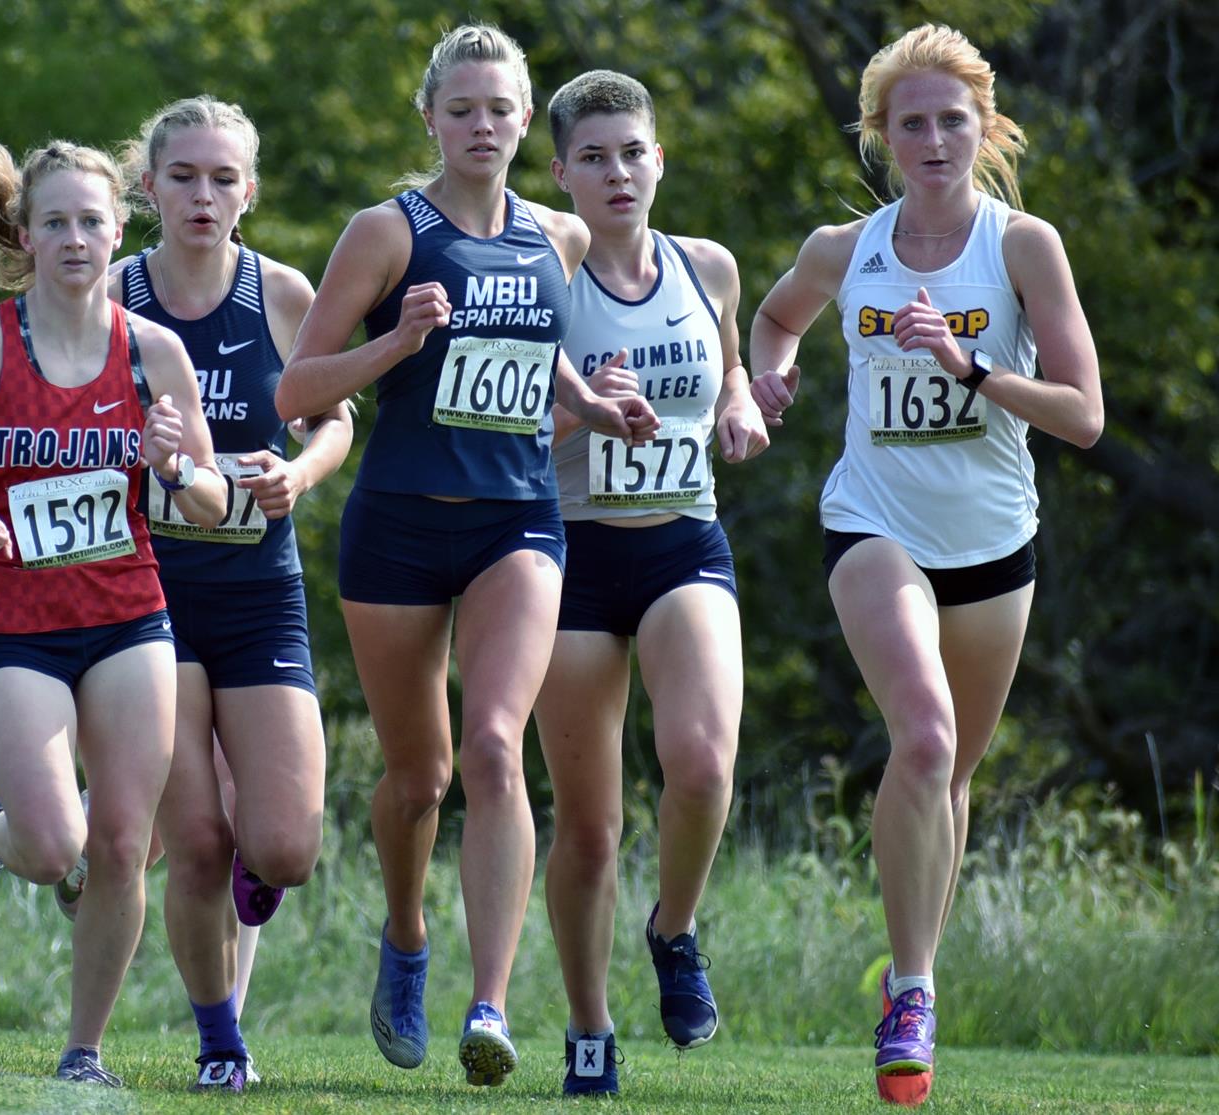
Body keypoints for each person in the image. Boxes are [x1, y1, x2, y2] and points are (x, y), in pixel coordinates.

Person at [276, 23, 657, 1088]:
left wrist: (599, 404)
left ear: (525, 119)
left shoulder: (557, 237)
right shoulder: (384, 232)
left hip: (515, 524)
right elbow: (296, 393)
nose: (481, 126)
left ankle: (489, 1003)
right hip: (396, 525)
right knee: (417, 777)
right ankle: (405, 937)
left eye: (499, 109)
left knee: (495, 745)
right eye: (461, 109)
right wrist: (395, 342)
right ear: (430, 118)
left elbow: (542, 371)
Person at [747, 23, 1103, 1106]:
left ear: (982, 126)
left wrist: (969, 364)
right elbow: (771, 319)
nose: (934, 137)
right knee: (924, 732)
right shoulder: (840, 249)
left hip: (994, 544)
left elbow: (1083, 415)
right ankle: (909, 990)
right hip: (873, 524)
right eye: (912, 122)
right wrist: (762, 377)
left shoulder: (1021, 246)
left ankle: (917, 974)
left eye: (953, 119)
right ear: (881, 138)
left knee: (946, 778)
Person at [0, 129, 226, 1088]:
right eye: (55, 223)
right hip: (14, 625)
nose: (75, 238)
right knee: (54, 847)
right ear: (26, 237)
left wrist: (175, 464)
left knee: (123, 841)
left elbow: (206, 501)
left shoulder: (155, 352)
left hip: (127, 615)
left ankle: (84, 1052)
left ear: (119, 231)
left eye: (91, 221)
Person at [534, 70, 770, 1096]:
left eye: (631, 152)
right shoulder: (542, 272)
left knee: (703, 763)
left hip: (681, 540)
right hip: (572, 554)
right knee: (588, 826)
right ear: (559, 175)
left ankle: (672, 931)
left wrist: (738, 407)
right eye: (592, 157)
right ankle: (589, 1027)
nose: (615, 173)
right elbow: (499, 432)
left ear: (658, 159)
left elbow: (727, 372)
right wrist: (585, 413)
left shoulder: (705, 265)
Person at [110, 95, 350, 1091]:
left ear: (247, 193)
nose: (201, 195)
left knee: (284, 847)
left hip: (258, 587)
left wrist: (300, 474)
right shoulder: (113, 297)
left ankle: (261, 860)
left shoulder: (282, 294)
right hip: (145, 593)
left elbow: (335, 418)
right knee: (195, 838)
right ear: (148, 188)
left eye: (221, 178)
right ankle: (219, 1039)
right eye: (182, 177)